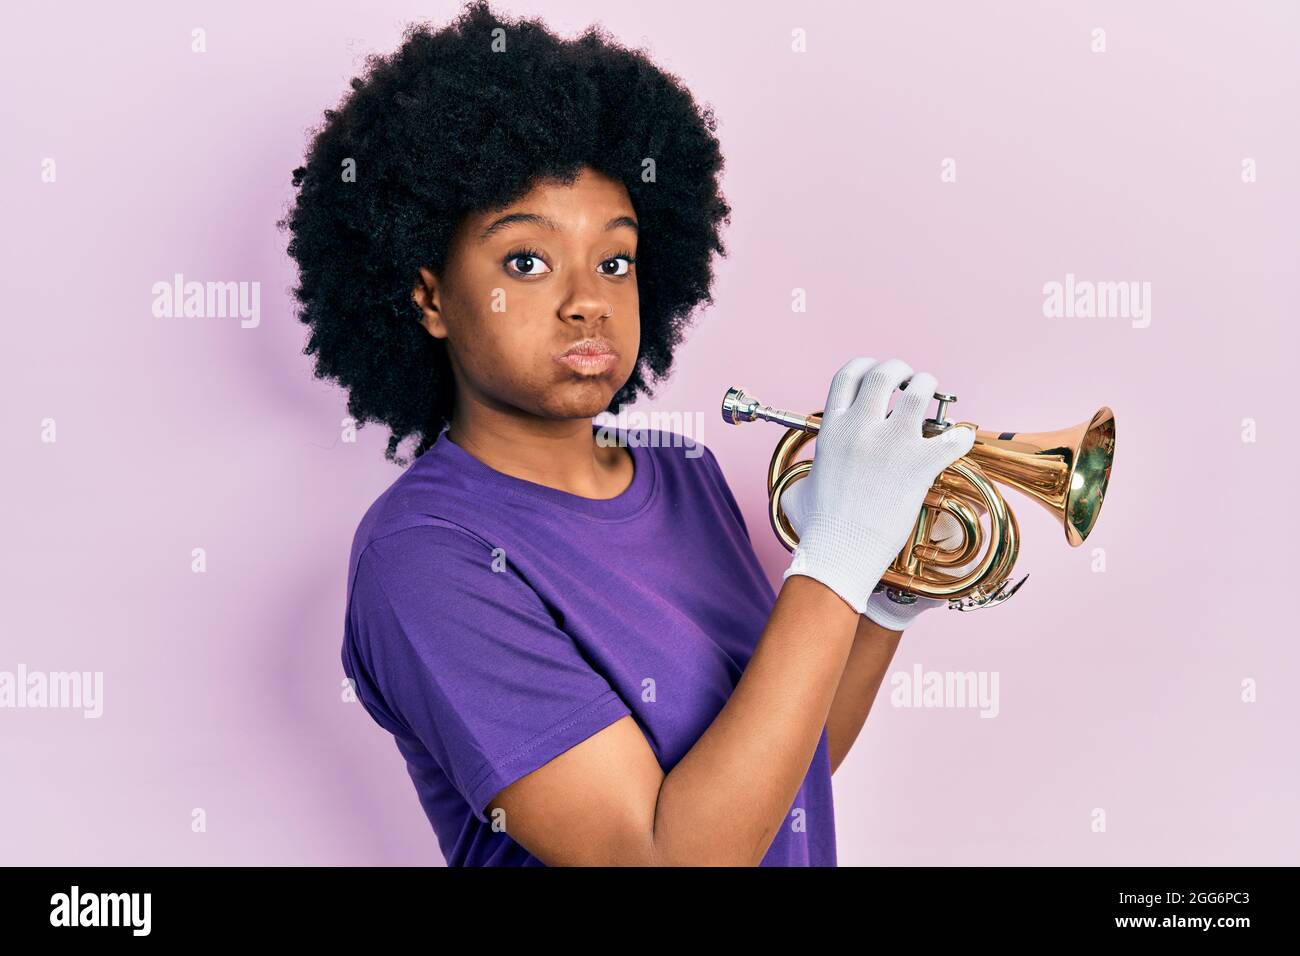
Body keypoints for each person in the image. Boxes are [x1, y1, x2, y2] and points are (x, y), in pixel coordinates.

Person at [281, 0, 975, 866]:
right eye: (526, 262)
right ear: (428, 298)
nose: (588, 300)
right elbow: (657, 854)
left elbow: (790, 765)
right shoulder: (423, 556)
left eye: (616, 260)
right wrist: (832, 556)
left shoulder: (684, 473)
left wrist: (878, 594)